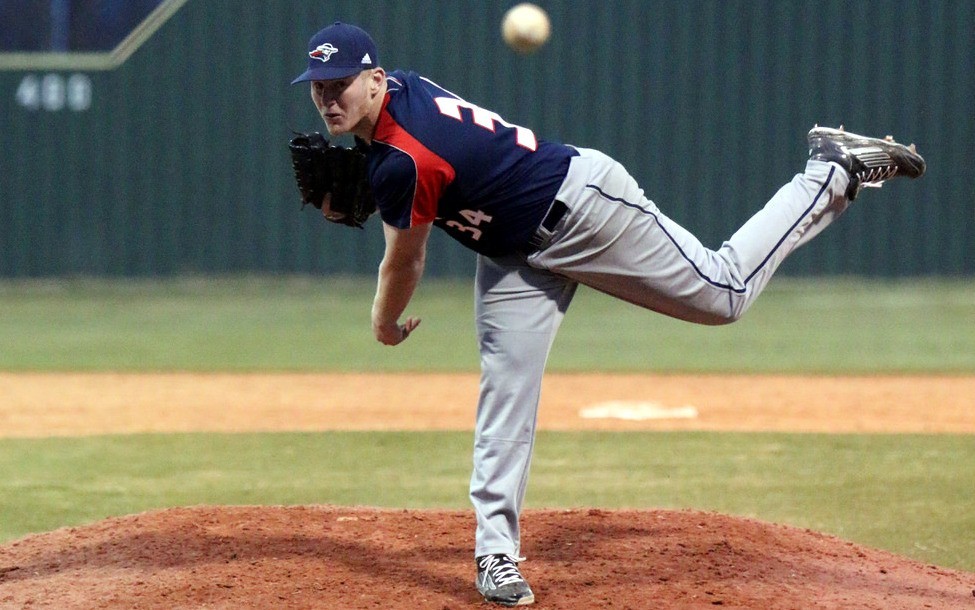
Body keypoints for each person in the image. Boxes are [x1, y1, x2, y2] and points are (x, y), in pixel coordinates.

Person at [291, 21, 925, 607]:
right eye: (319, 87)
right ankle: (496, 556)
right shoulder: (398, 104)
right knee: (504, 390)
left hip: (582, 210)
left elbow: (404, 264)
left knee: (723, 293)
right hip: (513, 253)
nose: (328, 99)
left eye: (341, 83)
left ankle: (829, 170)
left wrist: (382, 323)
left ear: (376, 79)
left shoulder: (403, 158)